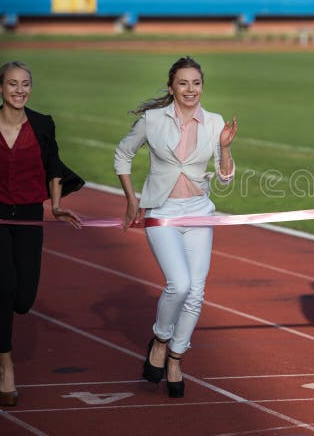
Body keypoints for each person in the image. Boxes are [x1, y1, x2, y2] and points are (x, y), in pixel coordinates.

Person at [0, 61, 84, 407]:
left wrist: (55, 206)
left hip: (29, 217)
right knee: (5, 288)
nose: (19, 90)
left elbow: (54, 168)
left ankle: (9, 332)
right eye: (12, 84)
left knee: (23, 300)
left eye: (25, 84)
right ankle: (5, 366)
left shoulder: (43, 124)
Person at [114, 56, 236, 398]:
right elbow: (123, 154)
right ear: (172, 88)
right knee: (179, 285)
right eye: (183, 83)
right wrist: (131, 199)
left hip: (198, 211)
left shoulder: (215, 122)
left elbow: (225, 179)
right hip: (162, 211)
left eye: (196, 83)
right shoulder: (153, 120)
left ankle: (176, 358)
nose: (190, 89)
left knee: (196, 293)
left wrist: (225, 148)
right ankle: (161, 338)